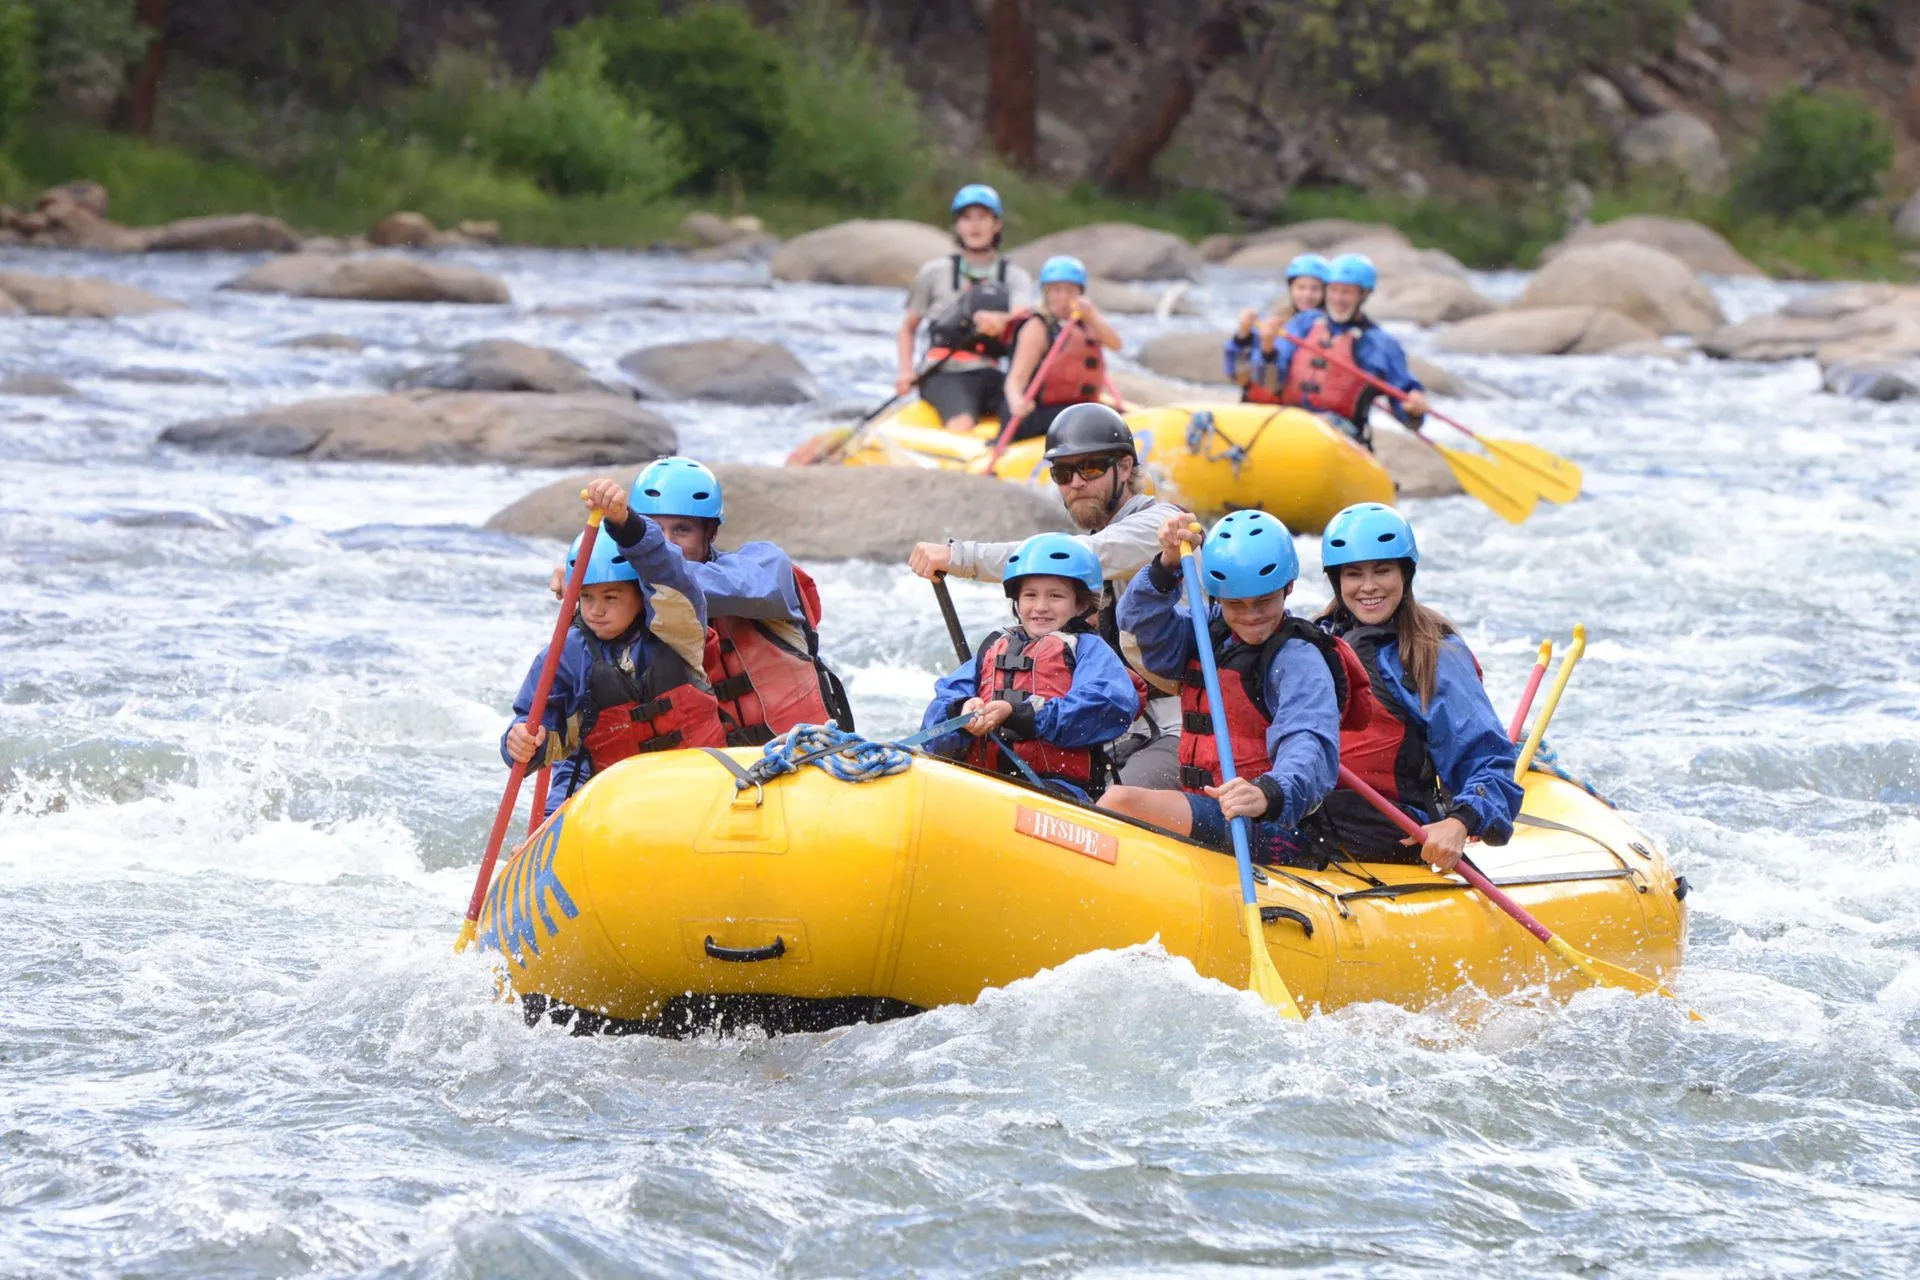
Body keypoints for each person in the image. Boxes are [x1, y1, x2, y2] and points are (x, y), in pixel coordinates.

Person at [907, 404, 1186, 787]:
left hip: (1178, 723)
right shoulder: (1028, 629)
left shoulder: (1162, 526)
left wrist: (960, 557)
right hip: (1117, 732)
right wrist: (963, 710)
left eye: (1090, 468)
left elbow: (1081, 554)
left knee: (1116, 801)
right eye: (1062, 473)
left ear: (1124, 468)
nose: (1076, 483)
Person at [1099, 510, 1355, 866]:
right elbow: (1141, 626)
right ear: (1218, 598)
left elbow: (1308, 740)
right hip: (1212, 808)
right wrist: (1167, 565)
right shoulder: (1209, 633)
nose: (1251, 615)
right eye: (1236, 604)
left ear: (1288, 587)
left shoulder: (1299, 659)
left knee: (1120, 802)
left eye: (1263, 601)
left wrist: (1268, 792)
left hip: (1273, 825)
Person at [582, 457, 853, 748]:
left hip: (799, 751)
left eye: (681, 529)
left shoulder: (764, 567)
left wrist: (631, 537)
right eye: (654, 529)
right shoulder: (626, 598)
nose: (667, 542)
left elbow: (685, 586)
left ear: (710, 533)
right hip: (709, 767)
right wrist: (593, 583)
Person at [1314, 502, 1523, 870]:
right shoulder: (1316, 641)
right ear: (1337, 580)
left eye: (1382, 571)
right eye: (1353, 574)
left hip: (1395, 830)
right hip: (1315, 815)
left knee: (1339, 808)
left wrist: (1461, 822)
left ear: (1405, 574)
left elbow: (1487, 757)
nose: (1368, 586)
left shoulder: (1435, 656)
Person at [503, 508, 724, 815]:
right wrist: (520, 739)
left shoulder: (676, 631)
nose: (596, 610)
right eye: (586, 597)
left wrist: (626, 521)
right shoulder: (564, 655)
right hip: (616, 804)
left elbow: (673, 581)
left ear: (639, 595)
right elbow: (537, 722)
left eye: (610, 597)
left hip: (702, 788)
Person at [919, 533, 1138, 801]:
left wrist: (1022, 715)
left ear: (1081, 603)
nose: (1040, 607)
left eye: (1056, 596)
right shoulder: (993, 647)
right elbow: (935, 723)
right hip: (983, 783)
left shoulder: (1089, 649)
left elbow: (1107, 706)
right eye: (1030, 595)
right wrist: (960, 711)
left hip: (1059, 790)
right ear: (1017, 601)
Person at [897, 183, 1038, 434]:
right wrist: (906, 371)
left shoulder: (1015, 276)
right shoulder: (933, 272)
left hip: (992, 373)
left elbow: (1023, 314)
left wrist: (1001, 320)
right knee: (962, 424)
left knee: (1028, 416)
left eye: (982, 217)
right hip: (943, 373)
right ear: (957, 226)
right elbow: (908, 328)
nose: (974, 225)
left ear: (996, 224)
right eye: (967, 218)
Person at [1262, 253, 1430, 448]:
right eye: (1333, 290)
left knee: (1320, 426)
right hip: (1290, 422)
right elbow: (1270, 382)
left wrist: (1412, 409)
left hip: (1342, 436)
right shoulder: (1303, 324)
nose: (1338, 298)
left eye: (1346, 292)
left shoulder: (1379, 344)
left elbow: (1406, 407)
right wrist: (1267, 348)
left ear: (1363, 295)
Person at [1001, 255, 1121, 441]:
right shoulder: (1037, 326)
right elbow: (1015, 380)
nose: (1063, 297)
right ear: (1046, 293)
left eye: (1071, 290)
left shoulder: (1086, 322)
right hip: (1036, 413)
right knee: (1091, 421)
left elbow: (1116, 344)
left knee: (1110, 418)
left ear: (1080, 293)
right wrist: (1016, 401)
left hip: (1074, 409)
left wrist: (1092, 315)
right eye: (1056, 290)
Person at [1225, 253, 1329, 404]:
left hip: (1301, 407)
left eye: (1315, 289)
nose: (1307, 295)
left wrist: (1268, 349)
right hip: (1264, 403)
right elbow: (1239, 377)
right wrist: (1243, 335)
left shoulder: (1329, 326)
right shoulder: (1275, 320)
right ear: (1291, 289)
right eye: (1301, 288)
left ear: (1325, 292)